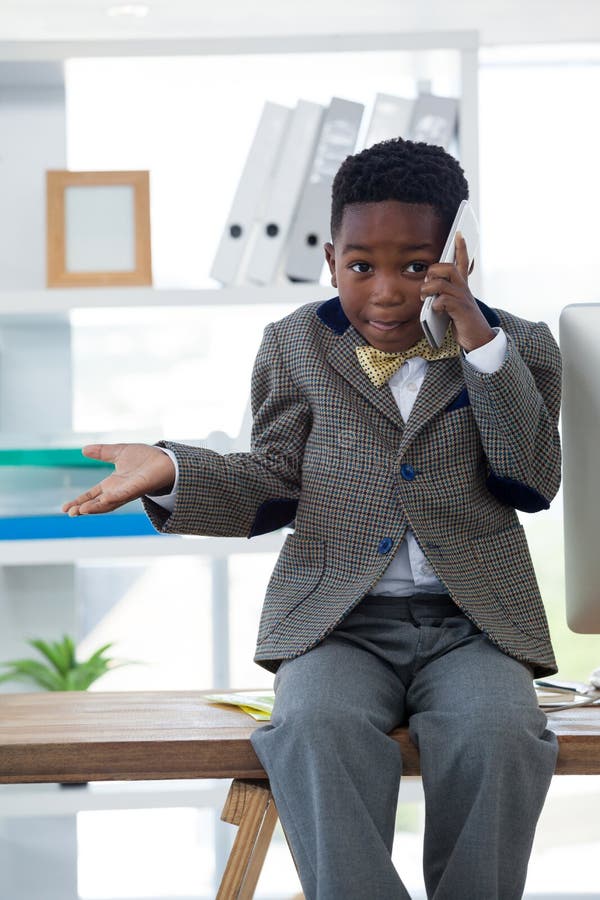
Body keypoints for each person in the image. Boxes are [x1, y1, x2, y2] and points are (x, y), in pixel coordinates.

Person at [62, 137, 561, 900]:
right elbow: (272, 481)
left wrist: (478, 342)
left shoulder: (516, 347)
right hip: (340, 623)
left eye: (415, 267)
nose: (385, 293)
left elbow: (531, 478)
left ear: (457, 259)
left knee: (500, 735)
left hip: (473, 624)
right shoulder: (295, 345)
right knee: (311, 729)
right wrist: (173, 469)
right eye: (361, 267)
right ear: (331, 260)